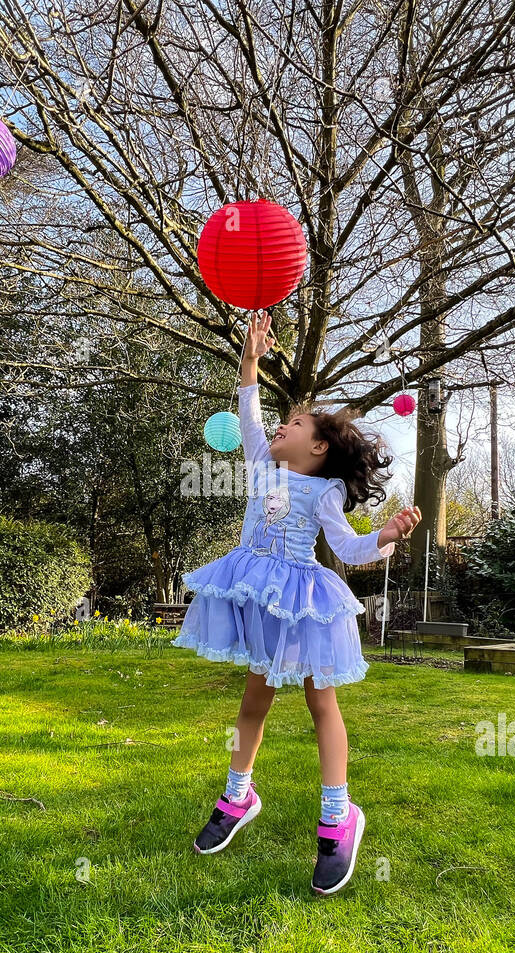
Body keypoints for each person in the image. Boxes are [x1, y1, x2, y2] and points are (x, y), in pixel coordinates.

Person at [173, 309, 421, 895]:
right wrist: (251, 358)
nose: (283, 425)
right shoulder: (261, 464)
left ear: (318, 447)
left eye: (297, 422)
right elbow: (249, 411)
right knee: (254, 701)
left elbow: (345, 547)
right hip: (257, 597)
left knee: (321, 705)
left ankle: (339, 817)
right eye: (283, 420)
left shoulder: (324, 491)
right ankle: (239, 796)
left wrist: (383, 539)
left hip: (303, 604)